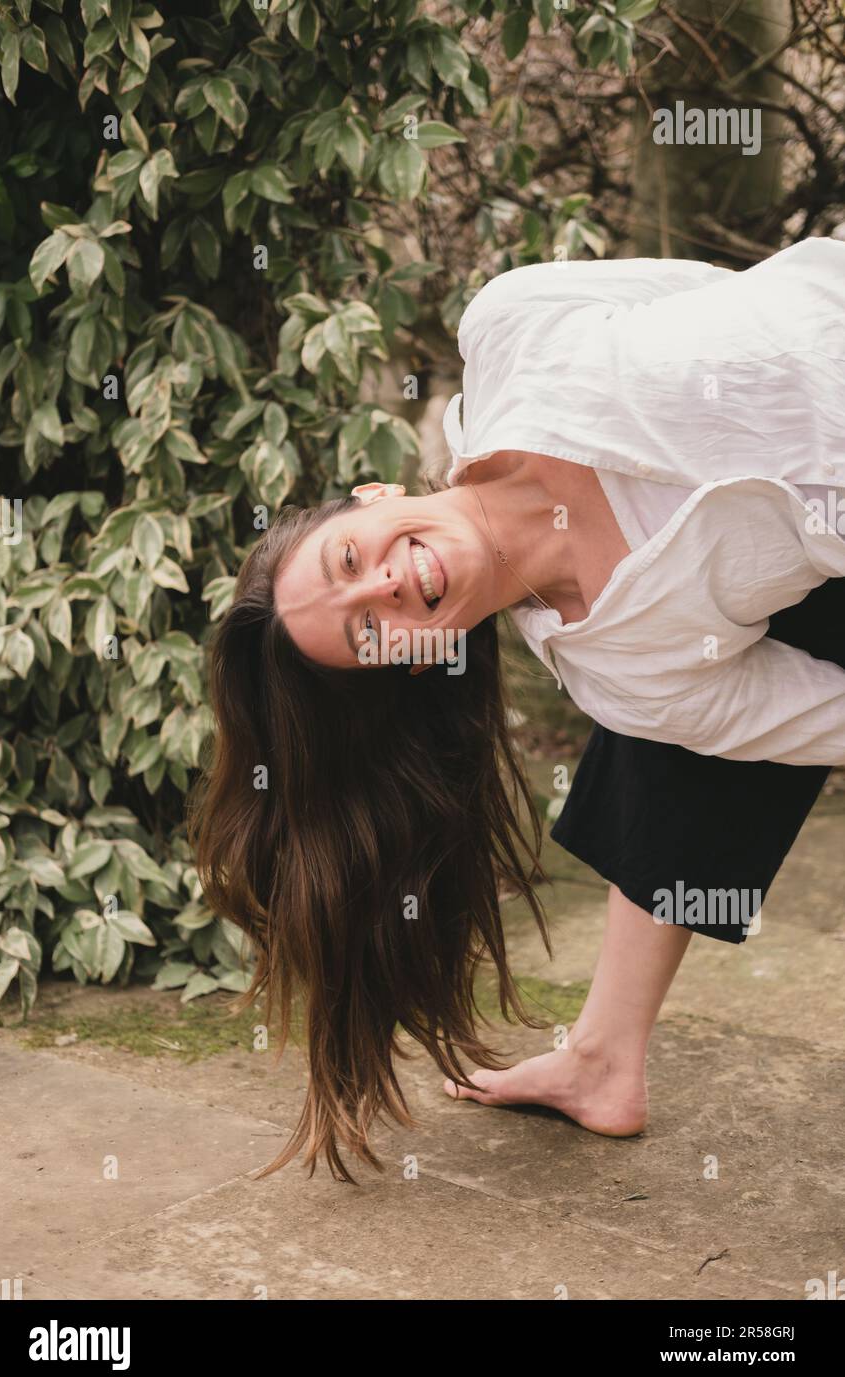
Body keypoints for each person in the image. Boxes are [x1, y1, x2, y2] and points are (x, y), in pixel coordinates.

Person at [192, 238, 845, 1181]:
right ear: (418, 660)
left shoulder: (511, 330)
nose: (384, 586)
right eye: (368, 632)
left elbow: (740, 292)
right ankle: (604, 1056)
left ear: (373, 494)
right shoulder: (630, 670)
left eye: (348, 559)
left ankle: (604, 1054)